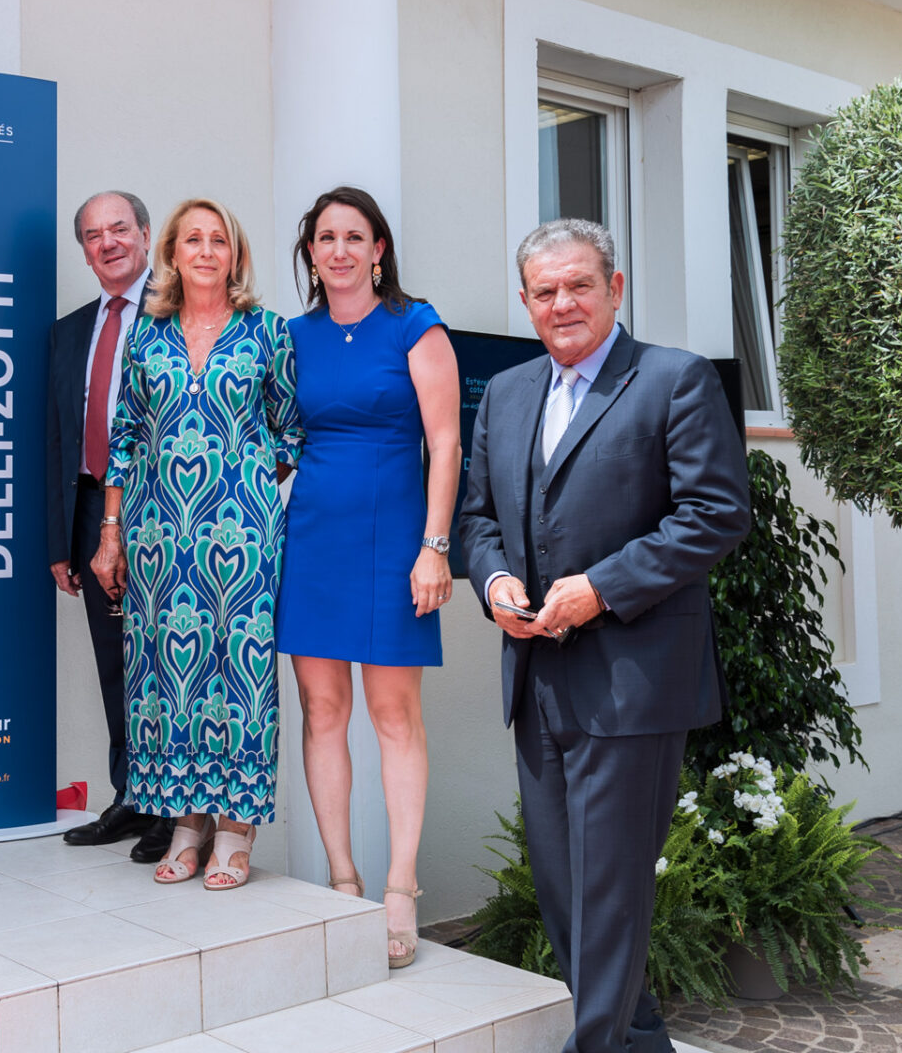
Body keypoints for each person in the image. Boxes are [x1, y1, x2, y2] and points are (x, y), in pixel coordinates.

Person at [459, 219, 749, 1052]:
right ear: (526, 301)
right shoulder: (509, 393)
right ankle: (639, 1035)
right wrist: (496, 580)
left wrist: (600, 589)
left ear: (615, 288)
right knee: (562, 885)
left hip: (634, 676)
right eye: (544, 291)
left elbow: (717, 513)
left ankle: (598, 1045)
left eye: (579, 285)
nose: (563, 303)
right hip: (536, 676)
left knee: (610, 887)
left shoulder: (673, 379)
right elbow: (476, 517)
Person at [92, 198, 302, 890]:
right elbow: (122, 437)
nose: (206, 250)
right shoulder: (147, 337)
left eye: (219, 240)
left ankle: (235, 827)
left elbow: (290, 432)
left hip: (241, 534)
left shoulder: (267, 332)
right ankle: (188, 820)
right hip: (156, 533)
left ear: (234, 254)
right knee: (167, 677)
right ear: (172, 255)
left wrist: (244, 487)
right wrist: (111, 531)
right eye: (193, 240)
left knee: (237, 673)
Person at [277, 186, 459, 967]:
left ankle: (399, 890)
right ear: (311, 252)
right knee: (322, 709)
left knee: (393, 716)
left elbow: (446, 443)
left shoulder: (414, 325)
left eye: (356, 236)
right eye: (327, 238)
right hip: (313, 536)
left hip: (396, 544)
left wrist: (435, 546)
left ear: (379, 249)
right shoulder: (290, 337)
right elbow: (276, 442)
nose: (341, 250)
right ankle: (342, 882)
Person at [45, 190, 171, 863]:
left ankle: (169, 807)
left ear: (146, 236)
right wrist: (60, 541)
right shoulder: (68, 334)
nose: (108, 242)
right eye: (94, 235)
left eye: (119, 228)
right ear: (85, 250)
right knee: (114, 662)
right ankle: (130, 795)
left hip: (166, 511)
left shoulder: (182, 317)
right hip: (94, 509)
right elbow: (56, 441)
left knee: (161, 661)